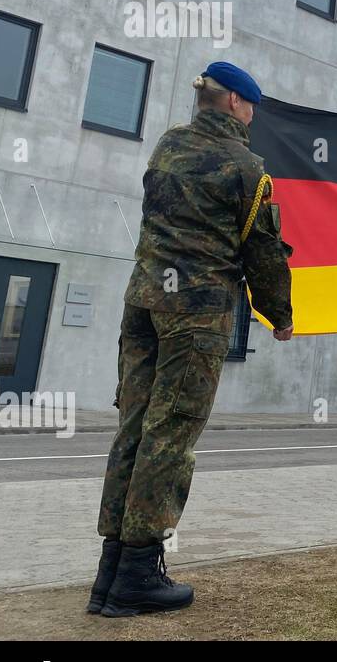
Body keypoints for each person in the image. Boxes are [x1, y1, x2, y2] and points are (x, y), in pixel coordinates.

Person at [89, 63, 294, 617]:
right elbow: (264, 255)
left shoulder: (167, 145)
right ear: (233, 103)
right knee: (171, 431)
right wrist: (279, 314)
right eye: (251, 105)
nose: (253, 115)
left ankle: (109, 572)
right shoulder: (248, 169)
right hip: (194, 311)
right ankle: (136, 576)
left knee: (135, 422)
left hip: (143, 301)